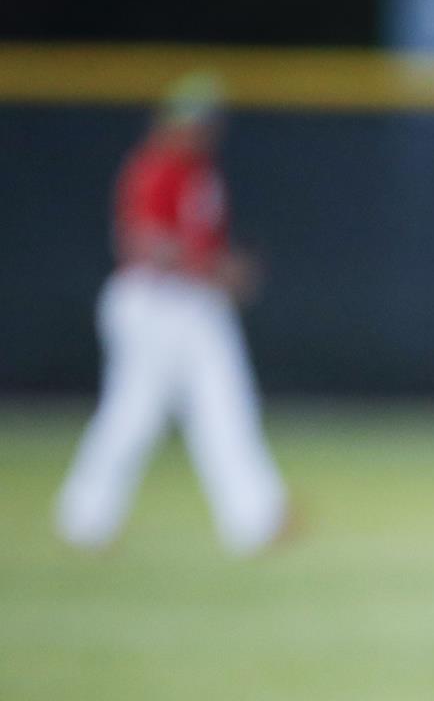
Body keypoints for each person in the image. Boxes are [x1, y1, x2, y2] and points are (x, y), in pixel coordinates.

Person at [55, 72, 290, 556]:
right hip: (157, 301)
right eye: (197, 120)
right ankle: (85, 517)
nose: (206, 130)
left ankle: (256, 517)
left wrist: (217, 269)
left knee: (217, 407)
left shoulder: (199, 171)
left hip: (188, 303)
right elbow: (142, 243)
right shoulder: (157, 167)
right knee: (138, 415)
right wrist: (214, 269)